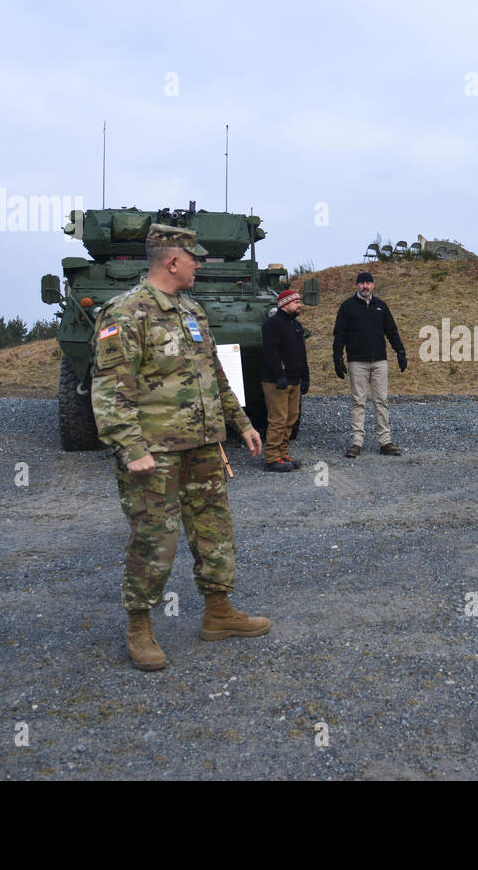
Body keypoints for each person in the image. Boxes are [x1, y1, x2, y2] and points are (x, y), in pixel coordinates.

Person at [91, 223, 269, 672]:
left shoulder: (192, 310)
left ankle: (219, 612)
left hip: (204, 446)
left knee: (214, 530)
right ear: (173, 261)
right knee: (155, 539)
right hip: (156, 453)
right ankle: (139, 625)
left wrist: (240, 422)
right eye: (194, 259)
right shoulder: (125, 313)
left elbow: (214, 373)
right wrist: (133, 448)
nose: (200, 265)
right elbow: (111, 392)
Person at [333, 271, 406, 457]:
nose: (365, 286)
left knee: (381, 401)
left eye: (368, 283)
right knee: (358, 402)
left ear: (373, 285)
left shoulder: (381, 306)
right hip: (357, 362)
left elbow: (391, 331)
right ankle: (357, 443)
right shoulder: (347, 307)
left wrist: (400, 351)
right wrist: (337, 357)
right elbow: (339, 334)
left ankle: (385, 442)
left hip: (379, 361)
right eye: (362, 283)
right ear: (356, 285)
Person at [260, 289, 308, 472]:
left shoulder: (296, 326)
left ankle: (283, 454)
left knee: (291, 419)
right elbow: (271, 353)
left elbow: (302, 353)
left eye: (299, 301)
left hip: (294, 380)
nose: (299, 305)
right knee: (278, 419)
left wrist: (305, 377)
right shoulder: (272, 325)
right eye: (296, 302)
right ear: (285, 304)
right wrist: (279, 376)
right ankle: (272, 458)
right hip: (276, 382)